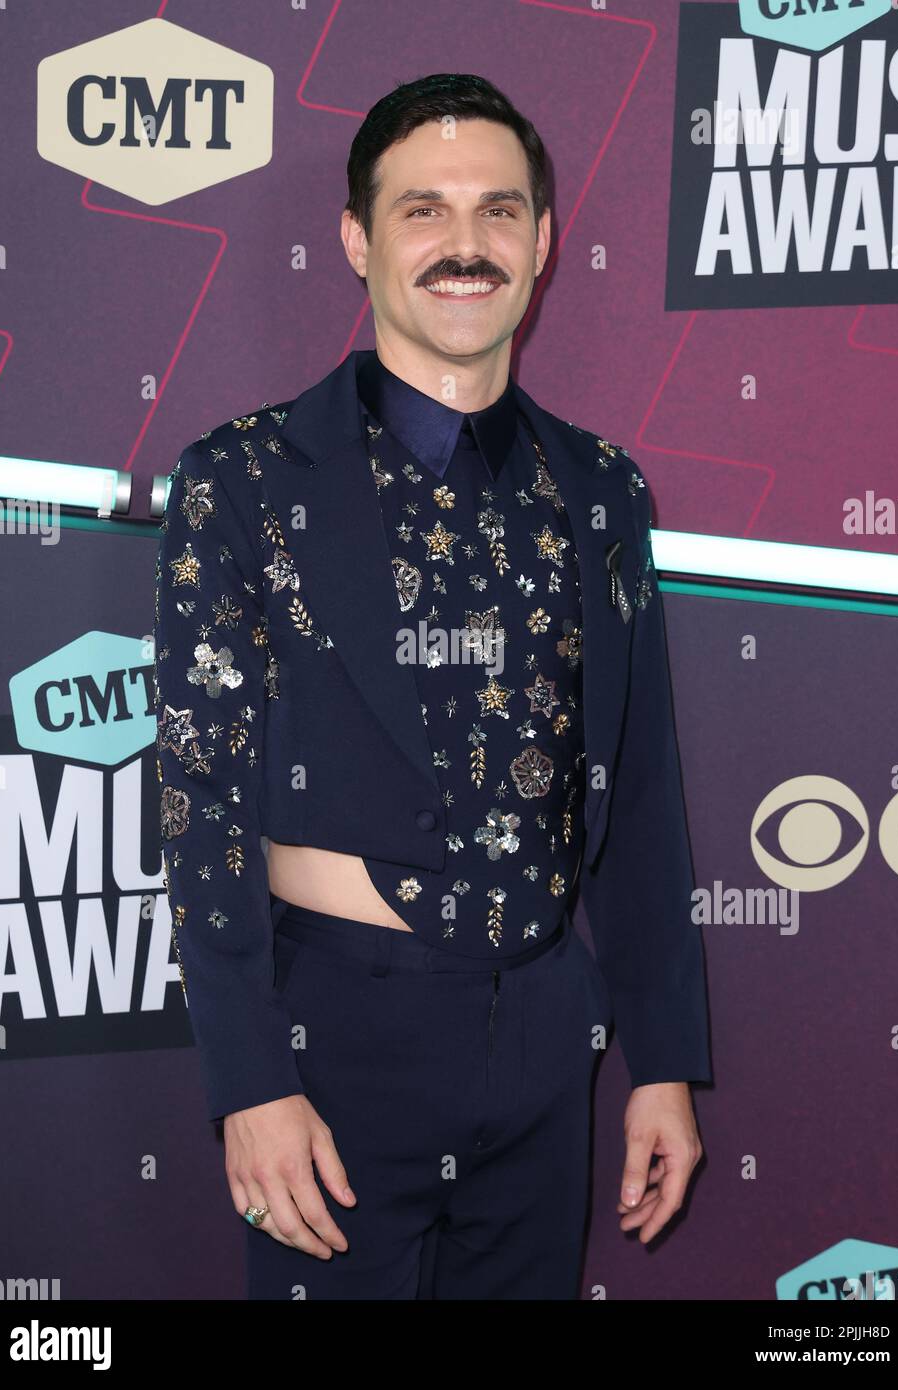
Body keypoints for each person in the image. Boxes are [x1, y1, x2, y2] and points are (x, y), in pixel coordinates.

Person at [153, 72, 712, 1301]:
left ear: (543, 242)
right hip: (335, 1037)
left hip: (545, 1031)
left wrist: (660, 1053)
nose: (465, 244)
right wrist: (250, 1079)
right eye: (423, 210)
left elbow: (640, 788)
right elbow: (197, 803)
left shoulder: (602, 489)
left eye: (497, 210)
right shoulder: (239, 480)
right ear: (358, 239)